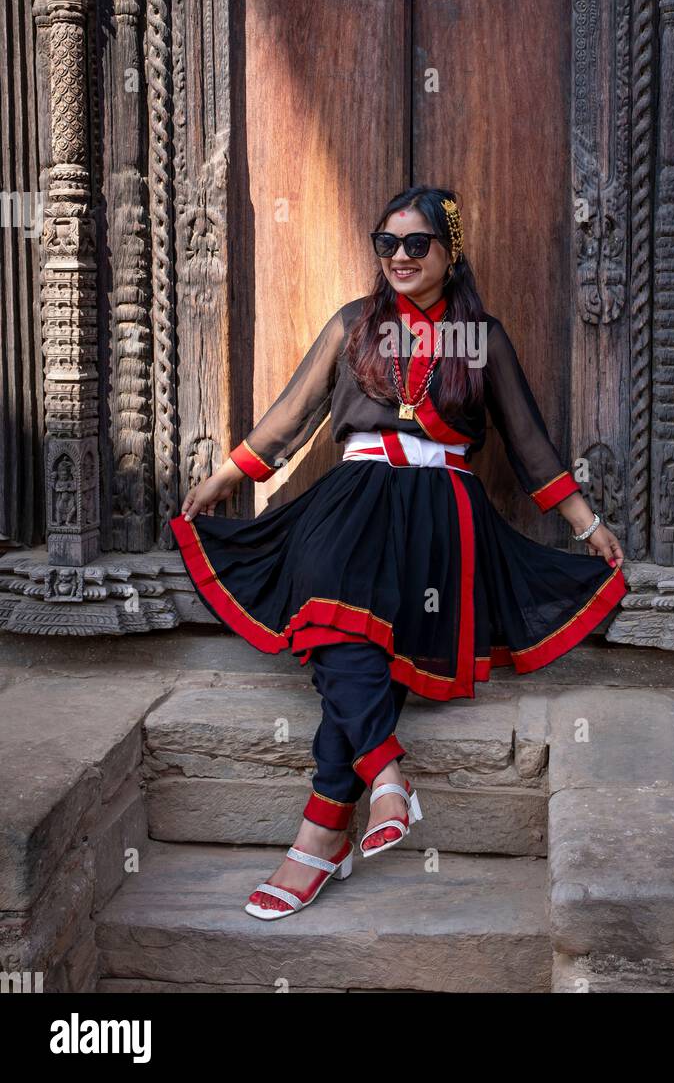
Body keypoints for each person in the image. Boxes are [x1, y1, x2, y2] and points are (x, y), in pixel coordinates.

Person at [170, 184, 627, 920]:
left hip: (442, 509)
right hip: (350, 497)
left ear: (451, 252)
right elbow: (292, 417)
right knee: (323, 607)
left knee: (379, 646)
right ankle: (386, 775)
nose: (401, 257)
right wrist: (225, 477)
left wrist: (586, 523)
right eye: (388, 244)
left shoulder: (482, 336)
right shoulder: (354, 324)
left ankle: (320, 840)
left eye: (418, 244)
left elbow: (529, 444)